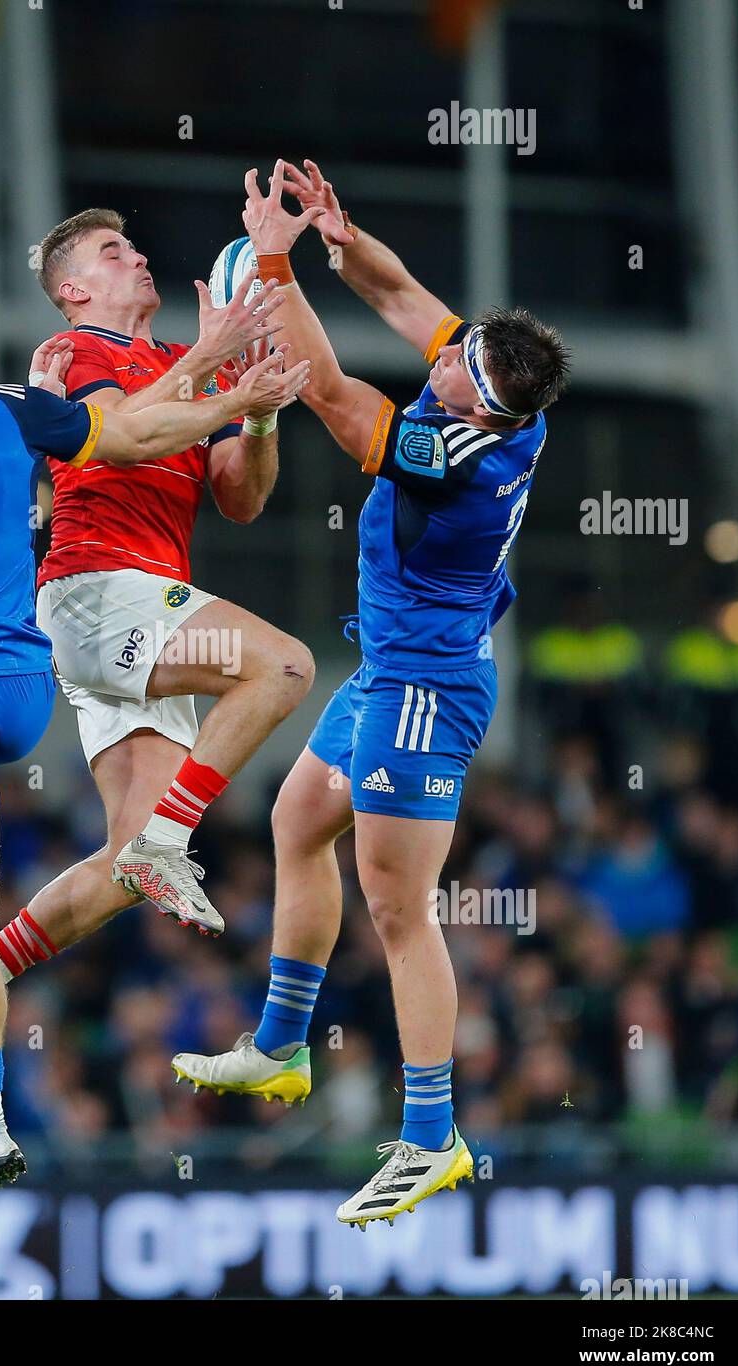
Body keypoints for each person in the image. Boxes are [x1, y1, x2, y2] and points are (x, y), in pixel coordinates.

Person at [0, 260, 308, 1215]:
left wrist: (228, 393)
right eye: (115, 253)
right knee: (277, 674)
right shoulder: (19, 400)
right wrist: (225, 381)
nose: (137, 261)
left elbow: (141, 452)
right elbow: (121, 437)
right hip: (25, 676)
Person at [172, 160, 570, 1229]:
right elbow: (402, 300)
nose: (438, 369)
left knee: (398, 909)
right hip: (395, 671)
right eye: (457, 357)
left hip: (424, 690)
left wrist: (270, 268)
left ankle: (432, 1134)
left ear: (479, 406)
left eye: (455, 375)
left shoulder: (459, 452)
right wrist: (342, 245)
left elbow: (333, 395)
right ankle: (282, 1044)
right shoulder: (495, 394)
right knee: (298, 821)